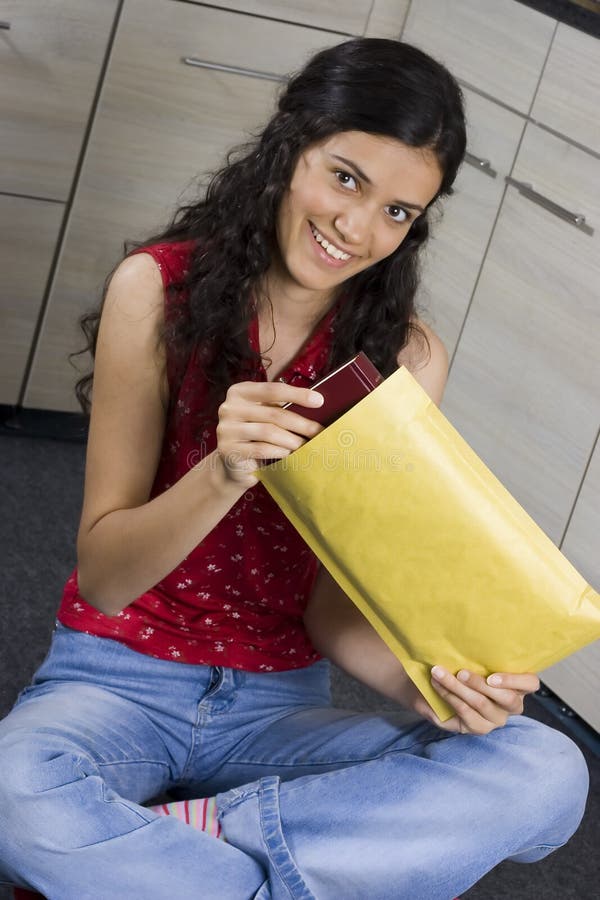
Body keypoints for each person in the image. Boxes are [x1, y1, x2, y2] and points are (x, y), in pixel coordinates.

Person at [0, 38, 589, 900]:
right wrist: (222, 472)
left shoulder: (406, 358)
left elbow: (327, 612)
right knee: (16, 793)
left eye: (398, 212)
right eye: (345, 178)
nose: (357, 228)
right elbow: (107, 577)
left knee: (547, 775)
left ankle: (192, 845)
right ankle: (279, 865)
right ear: (290, 145)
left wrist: (428, 687)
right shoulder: (155, 292)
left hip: (275, 709)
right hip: (116, 682)